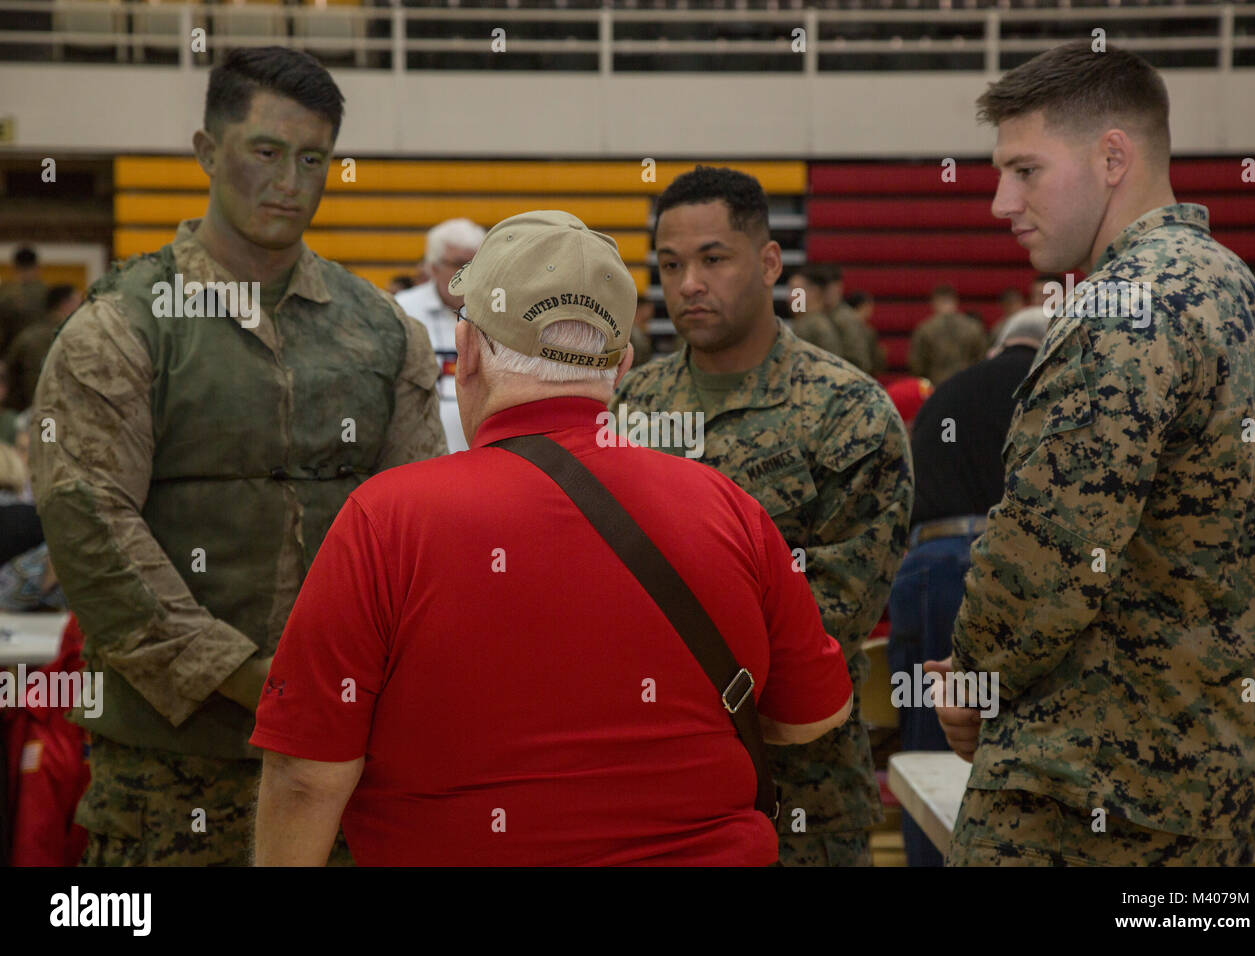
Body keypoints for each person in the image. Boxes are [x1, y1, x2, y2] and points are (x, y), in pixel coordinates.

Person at [251, 211, 853, 866]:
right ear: (620, 363)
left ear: (468, 351)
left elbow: (307, 775)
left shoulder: (384, 519)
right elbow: (810, 715)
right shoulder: (726, 507)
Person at [28, 45, 447, 867]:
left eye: (314, 158)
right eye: (265, 151)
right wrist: (244, 674)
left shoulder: (382, 330)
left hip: (341, 765)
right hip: (170, 768)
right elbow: (90, 527)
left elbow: (414, 524)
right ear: (206, 151)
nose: (291, 180)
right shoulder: (122, 326)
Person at [935, 40, 1255, 866]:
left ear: (1111, 157)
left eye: (1025, 170)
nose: (999, 201)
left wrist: (970, 673)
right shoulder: (1246, 299)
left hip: (1089, 785)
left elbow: (1048, 553)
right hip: (1218, 779)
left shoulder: (1120, 309)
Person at [613, 166, 913, 866]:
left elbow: (833, 616)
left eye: (713, 258)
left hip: (799, 795)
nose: (688, 282)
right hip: (654, 790)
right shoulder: (628, 410)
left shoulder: (847, 411)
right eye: (670, 263)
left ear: (769, 262)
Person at [886, 306, 1047, 867]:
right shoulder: (1054, 387)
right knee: (1011, 751)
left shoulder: (946, 391)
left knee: (923, 755)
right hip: (1011, 569)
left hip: (926, 563)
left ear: (998, 343)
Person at [396, 218, 486, 453]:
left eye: (475, 264)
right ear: (433, 267)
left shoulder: (499, 310)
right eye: (459, 264)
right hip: (417, 453)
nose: (468, 274)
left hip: (483, 452)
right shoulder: (402, 310)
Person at [4, 284, 80, 412]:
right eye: (78, 303)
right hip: (53, 415)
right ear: (66, 304)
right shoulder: (70, 337)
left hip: (23, 413)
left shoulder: (27, 335)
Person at [907, 283, 987, 386]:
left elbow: (917, 365)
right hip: (967, 385)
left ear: (934, 302)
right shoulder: (973, 327)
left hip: (937, 387)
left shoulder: (925, 329)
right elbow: (982, 359)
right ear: (955, 301)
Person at [784, 267, 843, 358]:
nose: (790, 297)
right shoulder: (807, 322)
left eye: (796, 291)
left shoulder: (816, 325)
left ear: (814, 292)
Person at [0, 247, 47, 356]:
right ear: (37, 267)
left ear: (14, 267)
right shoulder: (46, 292)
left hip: (9, 354)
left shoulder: (4, 292)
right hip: (40, 353)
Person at [629, 294, 655, 368]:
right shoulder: (632, 333)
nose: (652, 311)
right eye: (648, 307)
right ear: (640, 309)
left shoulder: (641, 330)